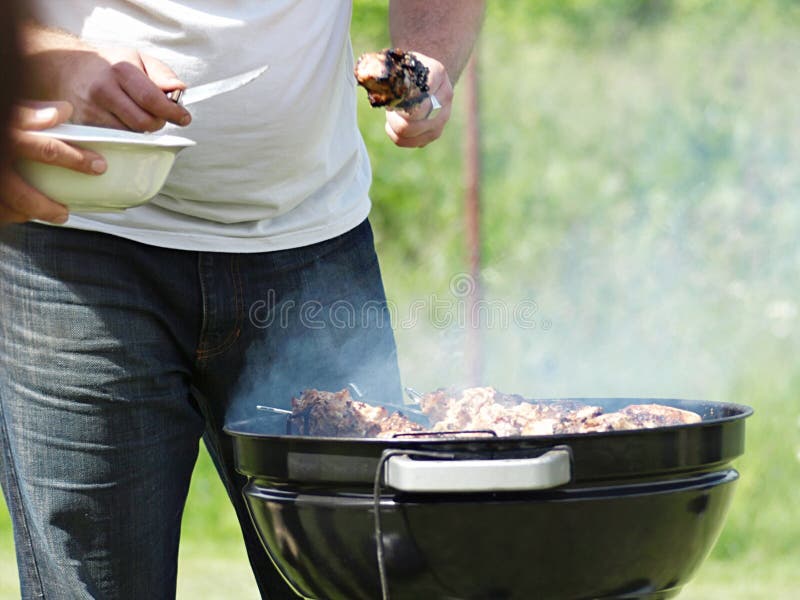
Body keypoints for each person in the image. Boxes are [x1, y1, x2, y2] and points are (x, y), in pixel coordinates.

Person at [0, 1, 485, 598]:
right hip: (73, 244)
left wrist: (426, 56)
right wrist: (45, 59)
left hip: (313, 252)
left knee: (358, 583)